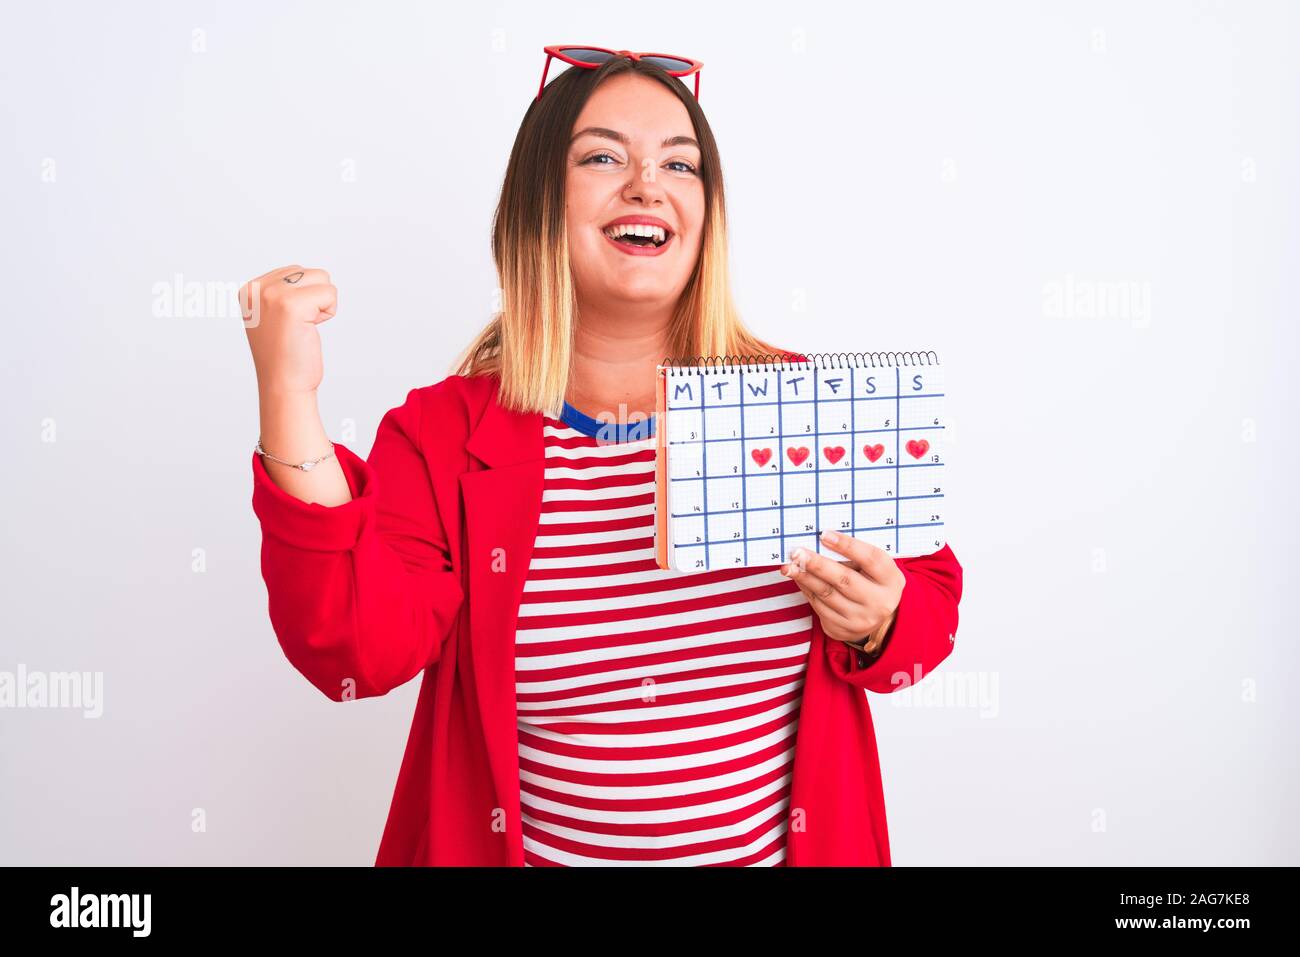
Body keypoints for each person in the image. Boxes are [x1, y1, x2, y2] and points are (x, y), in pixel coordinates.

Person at [241, 48, 963, 866]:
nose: (647, 184)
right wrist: (289, 398)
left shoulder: (797, 402)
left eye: (679, 164)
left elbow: (929, 599)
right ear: (537, 206)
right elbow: (358, 651)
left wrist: (883, 622)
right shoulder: (442, 433)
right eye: (603, 156)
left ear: (706, 213)